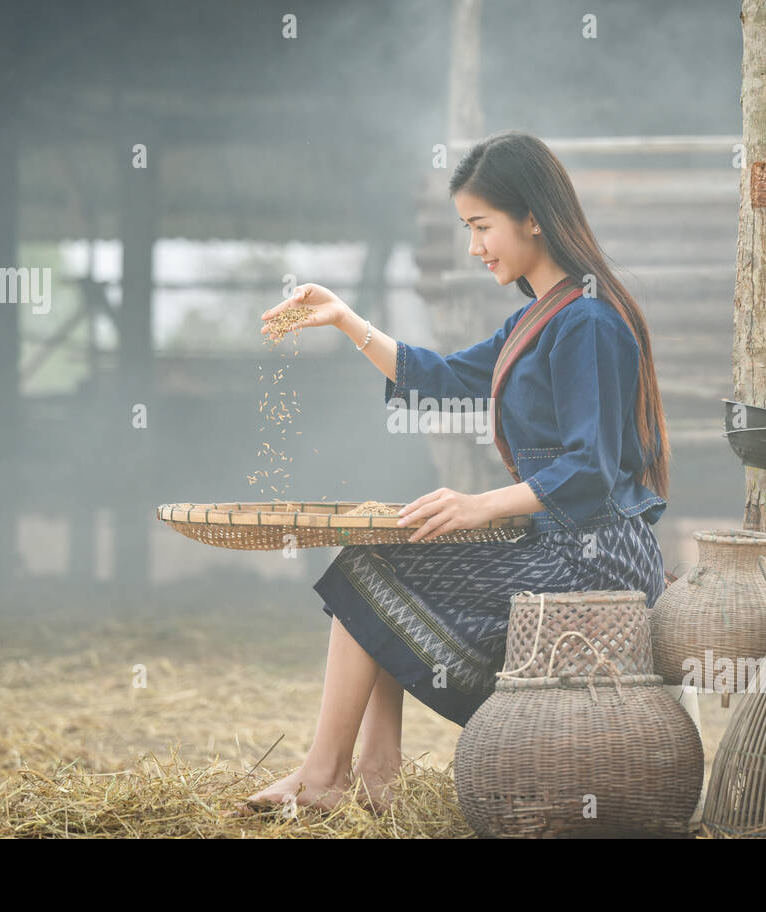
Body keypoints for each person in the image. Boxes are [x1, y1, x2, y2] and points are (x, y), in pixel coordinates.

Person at [243, 130, 674, 816]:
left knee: (374, 566)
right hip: (554, 540)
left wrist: (481, 506)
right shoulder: (537, 318)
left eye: (482, 226)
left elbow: (591, 467)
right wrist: (348, 321)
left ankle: (327, 777)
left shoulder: (587, 321)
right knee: (379, 556)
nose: (475, 247)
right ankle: (374, 774)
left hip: (596, 557)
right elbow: (440, 378)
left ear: (532, 215)